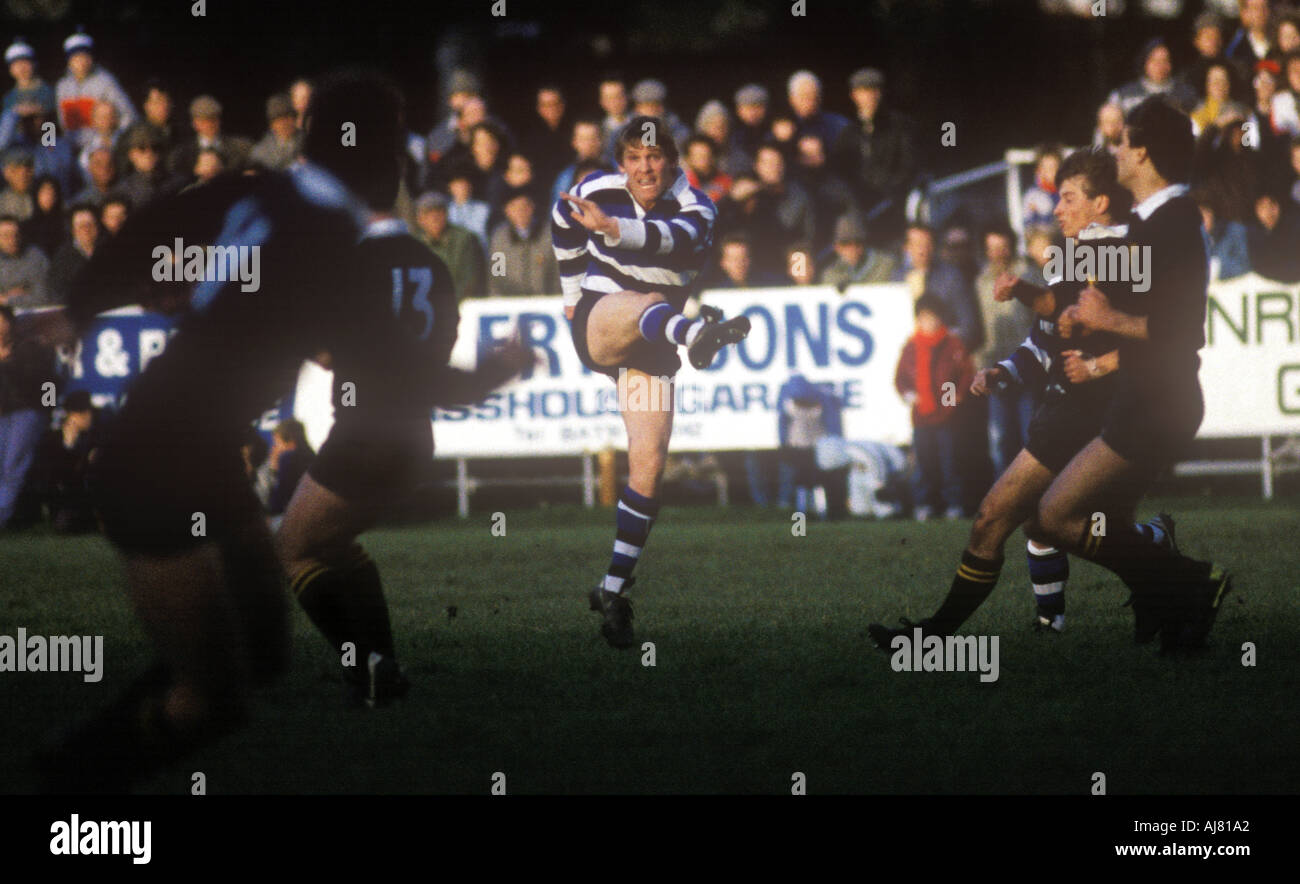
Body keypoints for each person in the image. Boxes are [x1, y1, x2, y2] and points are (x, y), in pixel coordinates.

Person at [32, 70, 524, 793]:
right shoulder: (332, 248)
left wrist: (82, 307)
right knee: (218, 699)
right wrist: (499, 371)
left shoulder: (256, 191)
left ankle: (101, 741)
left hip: (197, 456)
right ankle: (68, 789)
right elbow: (403, 381)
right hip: (154, 465)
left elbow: (158, 224)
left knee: (262, 655)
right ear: (386, 158)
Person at [870, 147, 1172, 643]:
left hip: (1097, 411)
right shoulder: (1074, 253)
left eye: (1067, 198)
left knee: (999, 515)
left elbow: (1148, 334)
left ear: (1100, 203)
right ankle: (1120, 581)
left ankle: (934, 637)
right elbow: (1046, 339)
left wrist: (1097, 359)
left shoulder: (1130, 254)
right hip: (1065, 405)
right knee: (1054, 524)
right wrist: (1004, 373)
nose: (1055, 209)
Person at [1031, 97, 1231, 653]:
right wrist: (1080, 315)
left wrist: (1107, 318)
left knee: (1055, 514)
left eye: (1121, 142)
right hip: (1143, 397)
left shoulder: (1173, 222)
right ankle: (1173, 606)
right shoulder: (1151, 220)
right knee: (1096, 518)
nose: (1114, 150)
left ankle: (1188, 582)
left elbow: (1185, 328)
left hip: (1159, 402)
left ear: (1141, 153)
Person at [551, 115, 751, 648]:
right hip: (605, 321)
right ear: (621, 163)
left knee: (649, 465)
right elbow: (561, 219)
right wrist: (572, 296)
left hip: (654, 341)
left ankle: (613, 589)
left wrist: (613, 229)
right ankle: (697, 333)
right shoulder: (597, 188)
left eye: (655, 157)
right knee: (649, 303)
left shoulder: (697, 206)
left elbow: (668, 241)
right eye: (635, 159)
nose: (645, 168)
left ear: (672, 161)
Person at [894, 293, 973, 521]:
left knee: (950, 463)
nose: (929, 322)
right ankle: (924, 504)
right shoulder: (911, 346)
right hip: (921, 417)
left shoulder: (952, 343)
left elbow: (964, 373)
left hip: (947, 417)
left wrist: (954, 399)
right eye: (924, 318)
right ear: (918, 319)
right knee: (924, 463)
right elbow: (901, 378)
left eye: (933, 317)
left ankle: (954, 504)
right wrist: (910, 395)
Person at [0, 303, 53, 529]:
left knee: (13, 466)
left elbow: (41, 380)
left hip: (25, 411)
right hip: (3, 413)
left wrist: (7, 361)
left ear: (11, 323)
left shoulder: (29, 347)